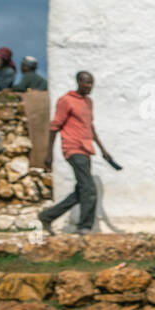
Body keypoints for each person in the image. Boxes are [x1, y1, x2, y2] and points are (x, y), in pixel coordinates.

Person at [38, 71, 114, 235]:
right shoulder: (66, 101)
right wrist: (49, 154)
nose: (89, 86)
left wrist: (103, 150)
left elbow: (90, 127)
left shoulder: (88, 102)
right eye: (86, 83)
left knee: (81, 190)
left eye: (91, 83)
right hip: (72, 148)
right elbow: (54, 127)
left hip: (86, 149)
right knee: (89, 188)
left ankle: (47, 216)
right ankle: (85, 227)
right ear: (78, 81)